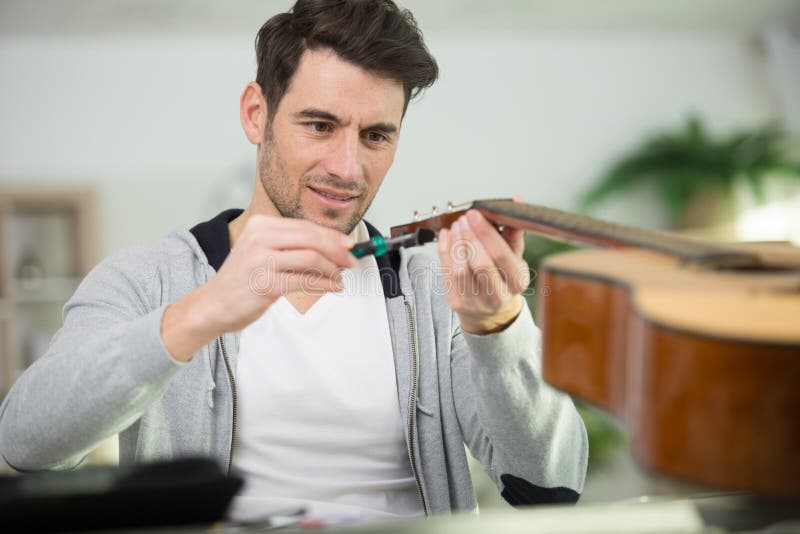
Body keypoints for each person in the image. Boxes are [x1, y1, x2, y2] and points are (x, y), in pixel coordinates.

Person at [0, 0, 587, 520]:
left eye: (376, 136)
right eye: (319, 125)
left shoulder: (436, 289)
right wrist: (202, 312)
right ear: (257, 114)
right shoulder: (145, 279)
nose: (347, 167)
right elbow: (25, 440)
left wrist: (497, 329)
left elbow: (553, 485)